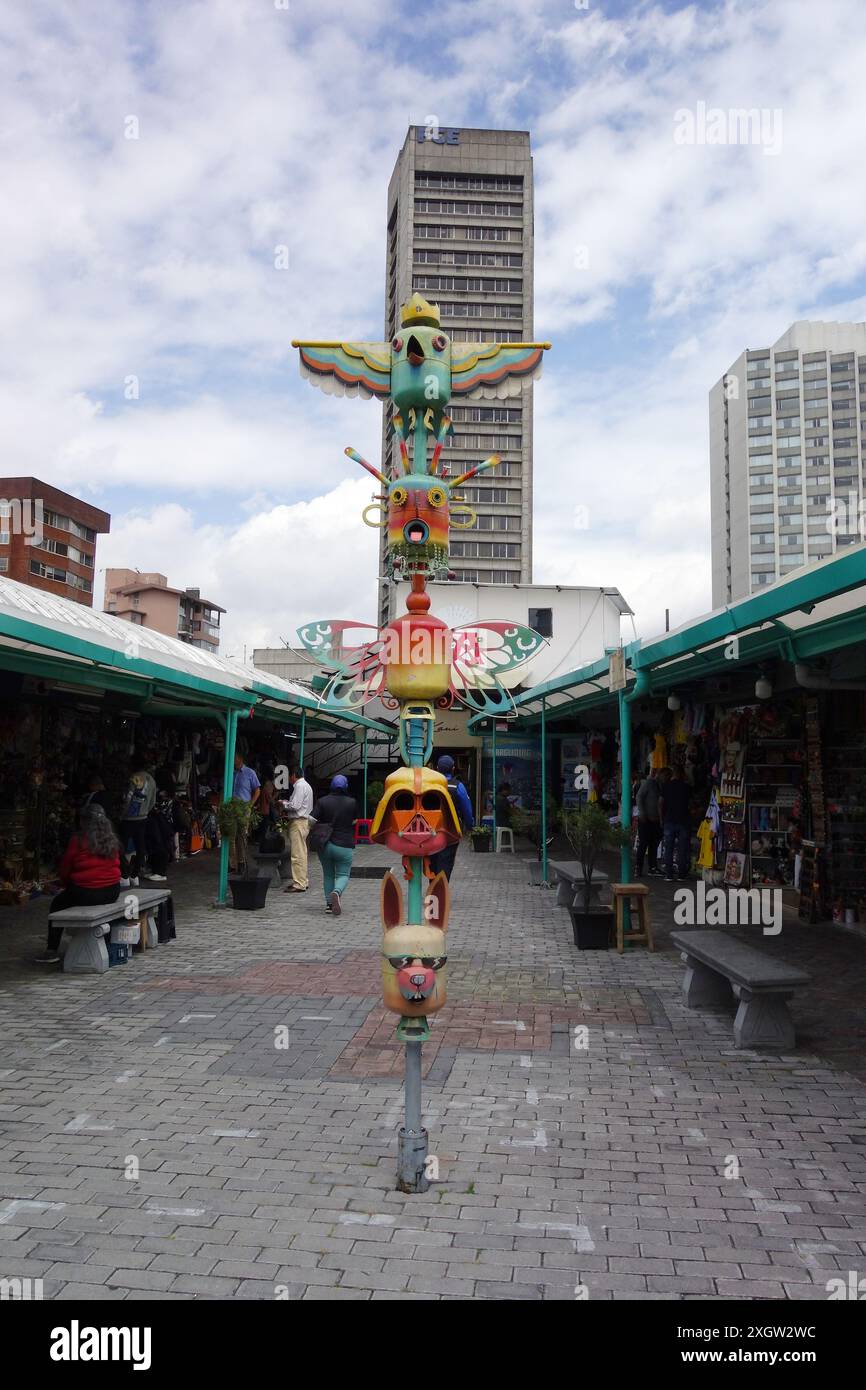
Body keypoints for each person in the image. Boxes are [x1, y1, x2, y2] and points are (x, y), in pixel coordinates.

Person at [34, 804, 122, 964]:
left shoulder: (79, 840)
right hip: (112, 890)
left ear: (84, 822)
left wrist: (67, 884)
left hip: (86, 891)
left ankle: (52, 949)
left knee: (57, 903)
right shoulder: (111, 838)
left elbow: (65, 868)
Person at [310, 774, 358, 915]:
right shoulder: (352, 802)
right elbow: (355, 821)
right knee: (343, 874)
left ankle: (329, 905)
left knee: (328, 875)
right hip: (344, 844)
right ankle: (337, 892)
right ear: (346, 786)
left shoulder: (322, 801)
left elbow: (311, 820)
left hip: (325, 844)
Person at [429, 755, 474, 881]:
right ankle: (440, 893)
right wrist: (470, 825)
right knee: (446, 863)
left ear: (437, 768)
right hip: (451, 832)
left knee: (433, 863)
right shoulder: (458, 786)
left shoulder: (430, 785)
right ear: (453, 769)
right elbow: (467, 809)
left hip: (431, 831)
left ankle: (433, 891)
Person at [119, 761, 157, 884]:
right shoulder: (151, 779)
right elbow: (152, 801)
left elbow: (128, 798)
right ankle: (135, 874)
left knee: (121, 846)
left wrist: (122, 813)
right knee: (140, 845)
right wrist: (145, 811)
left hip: (129, 818)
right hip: (143, 817)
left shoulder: (135, 778)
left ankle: (124, 874)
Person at [282, 766, 314, 893]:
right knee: (302, 852)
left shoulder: (300, 786)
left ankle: (299, 883)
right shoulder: (306, 785)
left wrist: (284, 803)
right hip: (303, 821)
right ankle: (302, 880)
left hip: (299, 821)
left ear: (294, 775)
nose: (290, 779)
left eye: (290, 776)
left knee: (297, 854)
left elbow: (295, 805)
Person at [660, 765, 692, 882]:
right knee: (682, 848)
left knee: (668, 848)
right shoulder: (686, 787)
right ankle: (681, 874)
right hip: (683, 820)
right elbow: (691, 803)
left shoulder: (666, 786)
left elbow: (660, 802)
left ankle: (668, 874)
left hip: (669, 820)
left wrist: (661, 818)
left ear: (673, 774)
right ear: (683, 774)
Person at [230, 752, 260, 872]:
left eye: (235, 758)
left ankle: (241, 862)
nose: (232, 760)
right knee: (231, 836)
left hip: (243, 808)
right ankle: (232, 864)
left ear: (240, 759)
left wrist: (250, 805)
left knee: (241, 836)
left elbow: (257, 790)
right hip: (231, 808)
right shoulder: (230, 772)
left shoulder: (249, 772)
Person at [635, 767, 662, 876]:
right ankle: (638, 867)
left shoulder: (660, 786)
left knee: (654, 844)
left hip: (656, 820)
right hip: (645, 819)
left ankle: (652, 867)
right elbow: (639, 796)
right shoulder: (649, 783)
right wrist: (642, 812)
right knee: (643, 844)